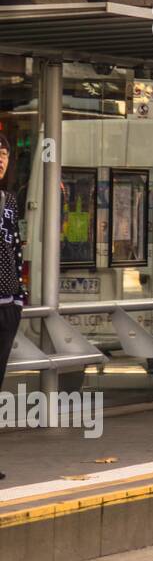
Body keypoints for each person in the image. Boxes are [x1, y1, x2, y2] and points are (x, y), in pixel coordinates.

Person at [0, 132, 25, 480]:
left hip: (7, 302)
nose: (0, 158)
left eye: (3, 152)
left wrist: (20, 295)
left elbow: (16, 249)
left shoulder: (9, 200)